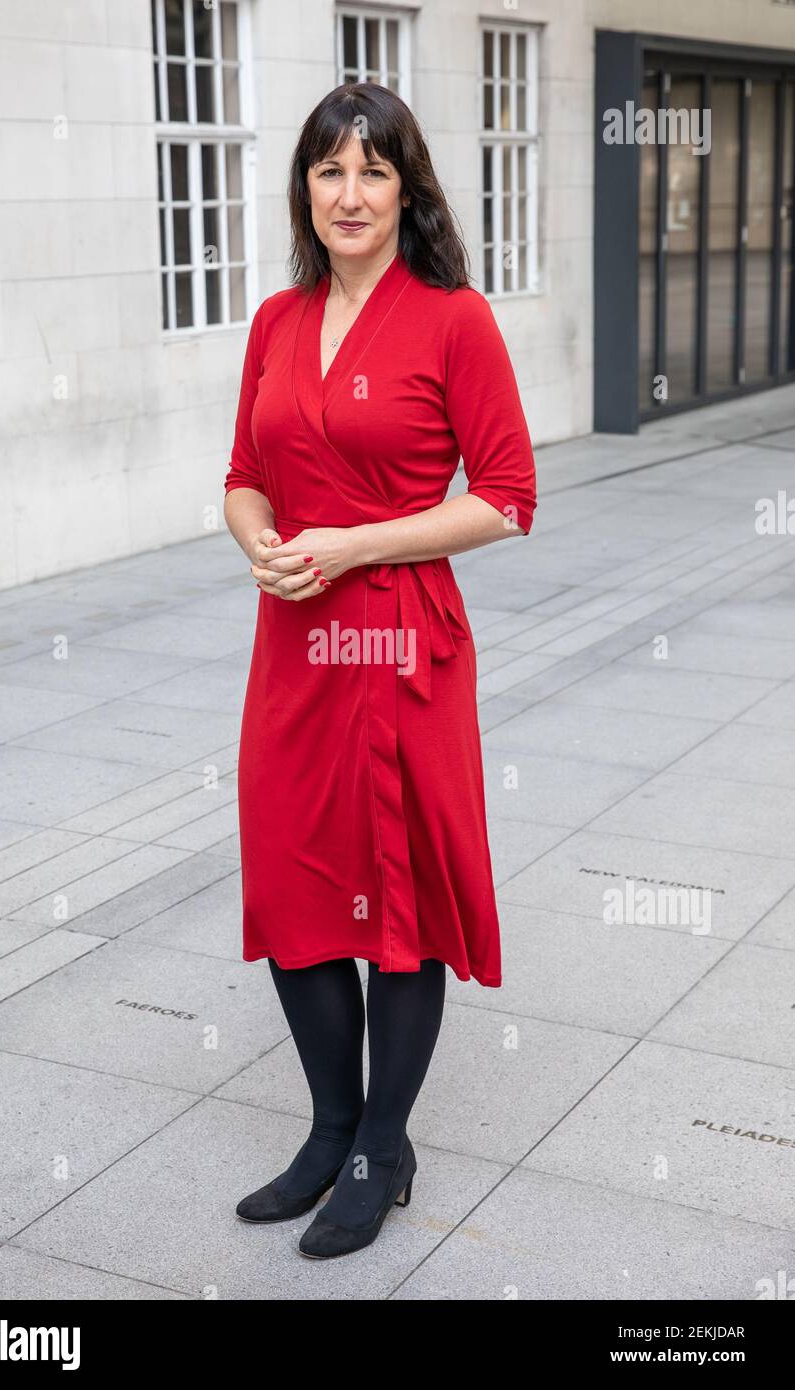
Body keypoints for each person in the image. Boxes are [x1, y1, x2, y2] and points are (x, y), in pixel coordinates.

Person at [223, 81, 536, 1260]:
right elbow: (241, 471)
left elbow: (507, 498)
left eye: (371, 172)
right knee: (298, 887)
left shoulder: (452, 319)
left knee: (396, 900)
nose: (347, 194)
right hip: (294, 645)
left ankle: (380, 1145)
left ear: (406, 192)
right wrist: (255, 537)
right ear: (304, 188)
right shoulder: (274, 320)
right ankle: (329, 1126)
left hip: (402, 643)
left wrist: (354, 541)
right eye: (326, 170)